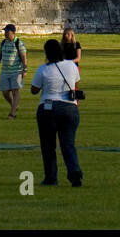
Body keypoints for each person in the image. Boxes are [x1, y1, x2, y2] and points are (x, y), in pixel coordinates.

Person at [29, 38, 82, 187]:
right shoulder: (71, 65)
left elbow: (34, 90)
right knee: (68, 144)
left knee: (48, 145)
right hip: (70, 108)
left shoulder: (44, 69)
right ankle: (74, 172)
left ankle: (51, 177)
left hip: (48, 108)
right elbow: (76, 84)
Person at [0, 24, 28, 119]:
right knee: (5, 92)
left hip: (16, 71)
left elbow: (24, 57)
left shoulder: (19, 43)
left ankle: (12, 114)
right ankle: (14, 105)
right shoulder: (3, 43)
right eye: (5, 31)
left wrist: (25, 69)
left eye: (7, 31)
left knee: (15, 92)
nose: (5, 33)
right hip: (5, 71)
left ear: (13, 32)